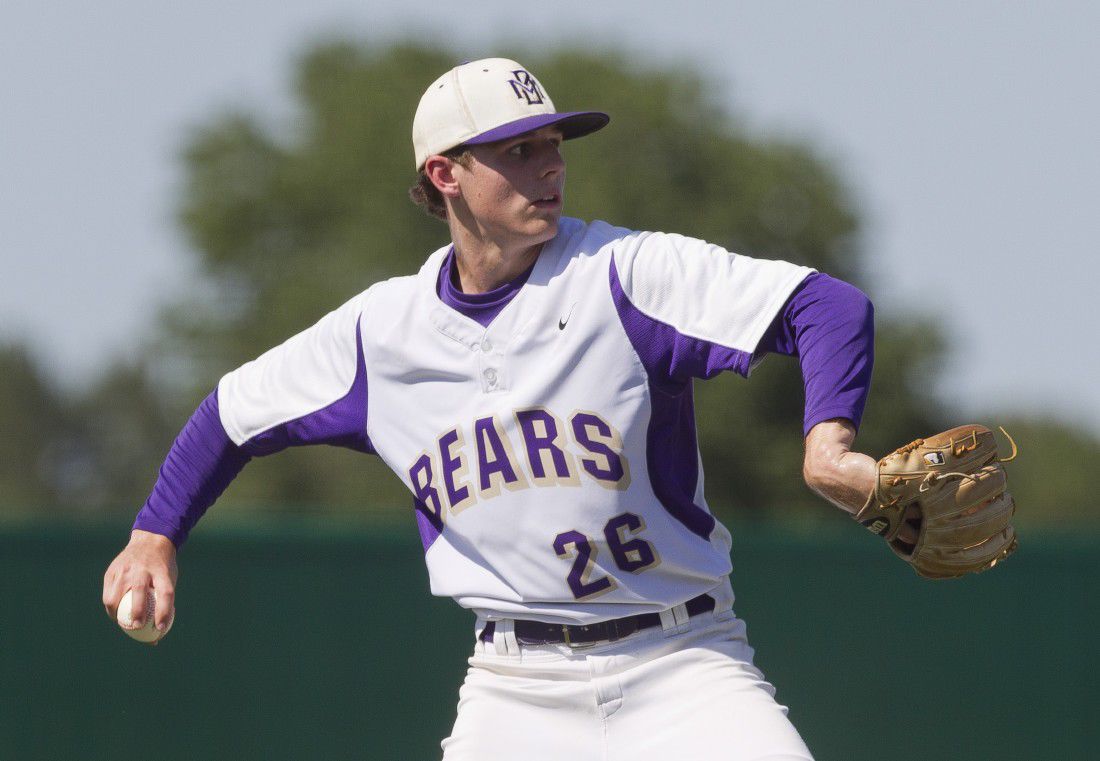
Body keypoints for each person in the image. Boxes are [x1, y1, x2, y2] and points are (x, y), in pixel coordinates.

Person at [103, 57, 889, 760]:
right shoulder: (381, 335)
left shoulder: (623, 274)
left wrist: (828, 443)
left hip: (684, 663)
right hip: (516, 687)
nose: (551, 166)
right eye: (520, 151)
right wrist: (154, 533)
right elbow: (233, 411)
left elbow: (825, 305)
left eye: (554, 144)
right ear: (445, 174)